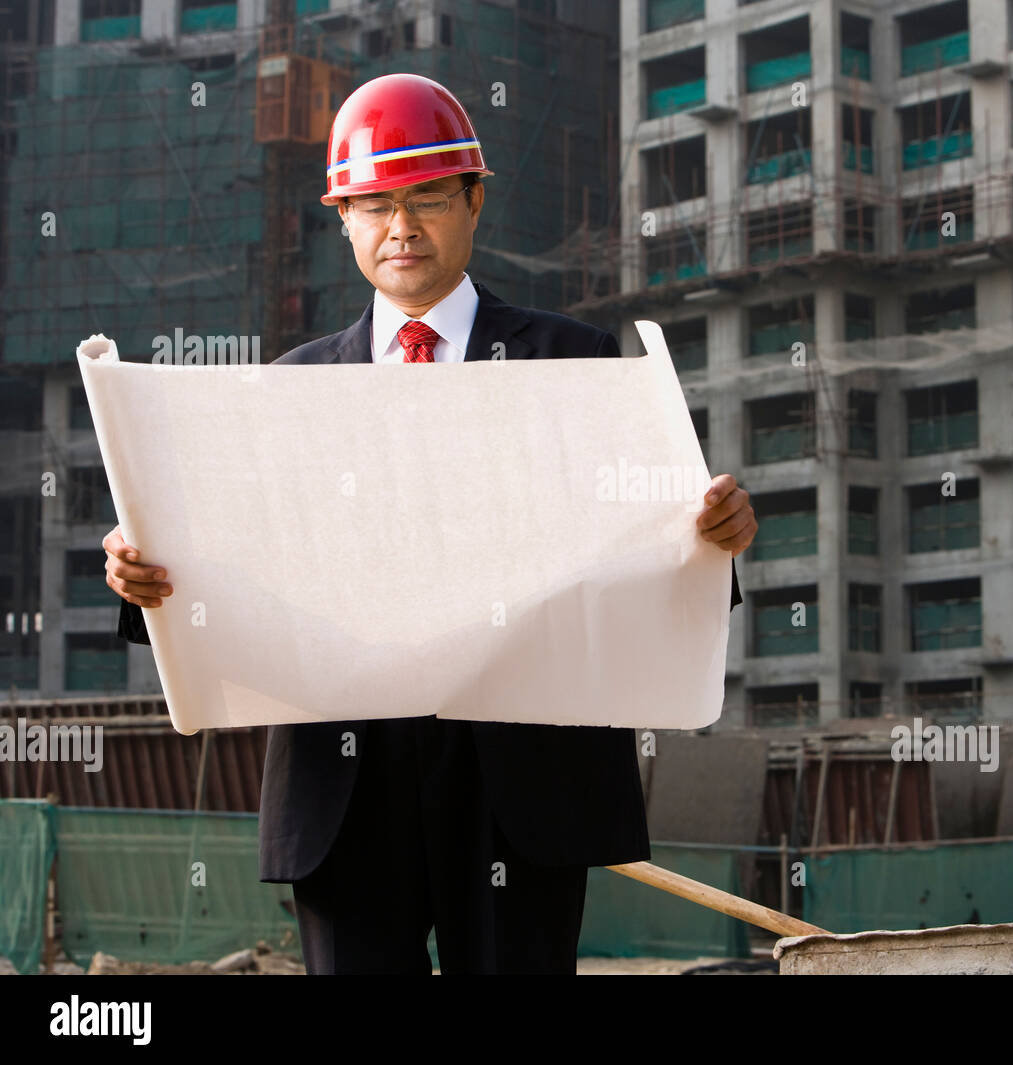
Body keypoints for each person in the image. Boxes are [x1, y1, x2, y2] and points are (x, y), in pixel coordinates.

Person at [102, 73, 757, 974]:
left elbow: (650, 560)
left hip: (521, 775)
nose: (400, 228)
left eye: (426, 199)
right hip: (347, 778)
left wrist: (711, 537)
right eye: (373, 205)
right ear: (342, 217)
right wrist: (144, 578)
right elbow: (222, 565)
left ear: (474, 201)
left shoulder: (575, 363)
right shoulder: (285, 393)